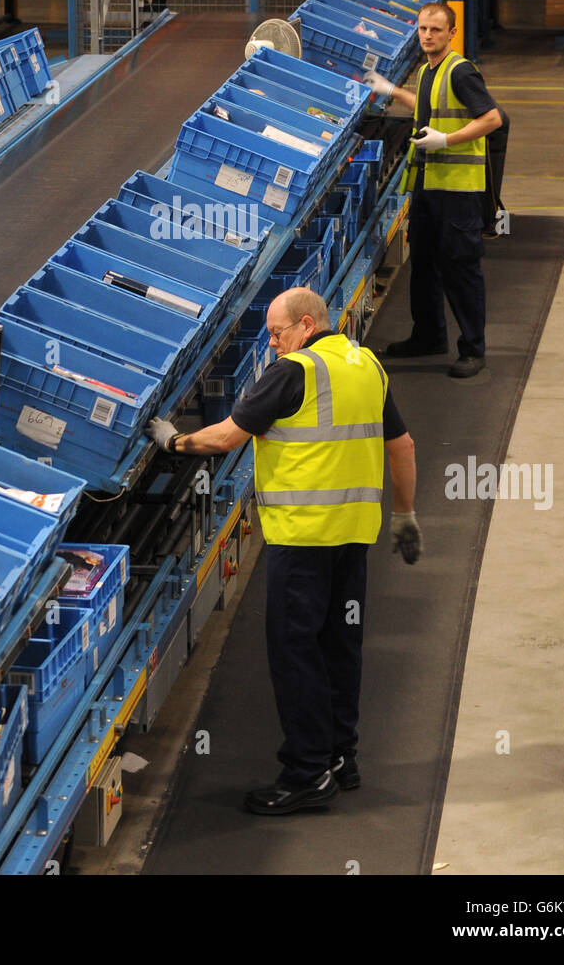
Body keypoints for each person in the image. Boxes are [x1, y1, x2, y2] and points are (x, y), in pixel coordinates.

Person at [146, 287, 420, 817]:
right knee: (340, 649)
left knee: (296, 656)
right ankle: (342, 758)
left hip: (302, 541)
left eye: (278, 333)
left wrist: (172, 441)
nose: (272, 344)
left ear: (307, 326)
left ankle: (307, 773)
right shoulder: (367, 365)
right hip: (353, 538)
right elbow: (402, 446)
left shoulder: (294, 372)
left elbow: (226, 438)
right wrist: (406, 515)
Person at [365, 2, 503, 379]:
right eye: (423, 29)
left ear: (451, 34)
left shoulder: (460, 72)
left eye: (436, 30)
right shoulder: (429, 71)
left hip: (459, 190)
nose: (427, 35)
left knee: (460, 269)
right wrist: (391, 89)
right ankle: (428, 336)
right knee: (423, 266)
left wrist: (448, 140)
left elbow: (492, 117)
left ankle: (473, 348)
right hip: (429, 186)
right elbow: (426, 107)